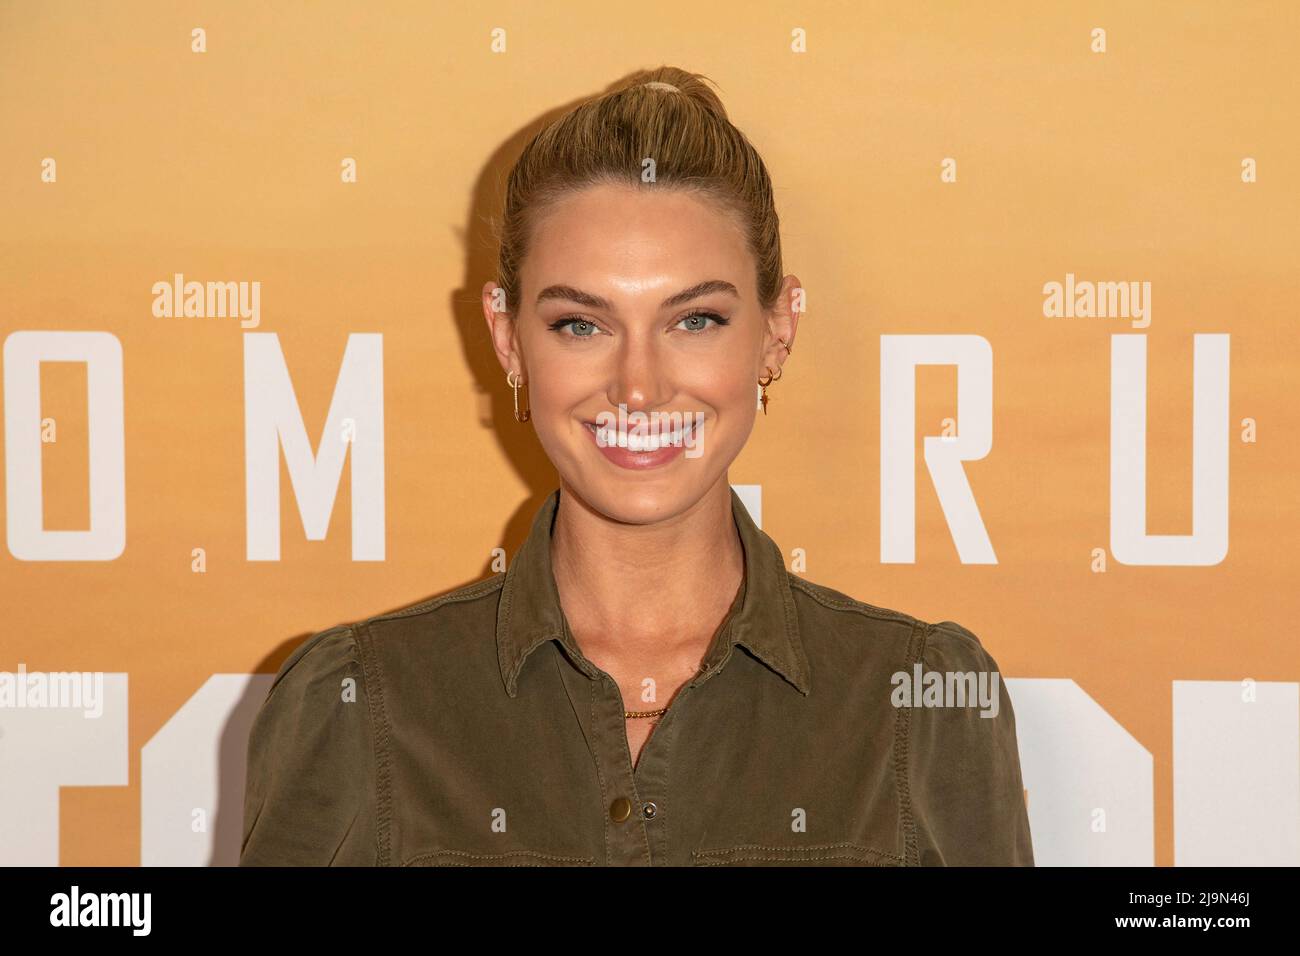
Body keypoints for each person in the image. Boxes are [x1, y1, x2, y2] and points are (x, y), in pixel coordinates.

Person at [240, 66, 1034, 867]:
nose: (639, 386)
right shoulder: (361, 702)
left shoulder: (918, 701)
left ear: (777, 330)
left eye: (695, 319)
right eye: (582, 325)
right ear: (509, 339)